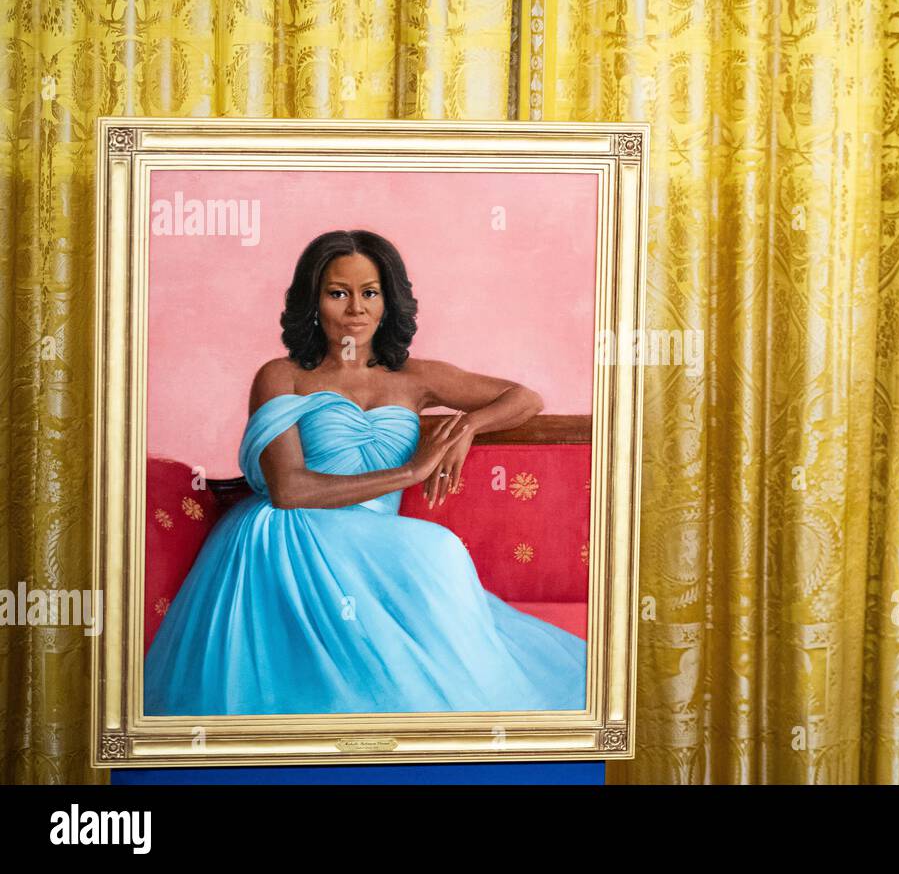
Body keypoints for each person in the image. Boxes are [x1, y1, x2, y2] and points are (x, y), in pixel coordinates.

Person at [144, 229, 587, 716]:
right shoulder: (283, 375)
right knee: (433, 550)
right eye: (338, 293)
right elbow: (289, 489)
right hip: (288, 535)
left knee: (433, 556)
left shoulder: (415, 377)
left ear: (387, 302)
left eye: (369, 293)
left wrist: (470, 425)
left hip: (373, 534)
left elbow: (525, 398)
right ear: (313, 302)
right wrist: (411, 471)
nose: (355, 308)